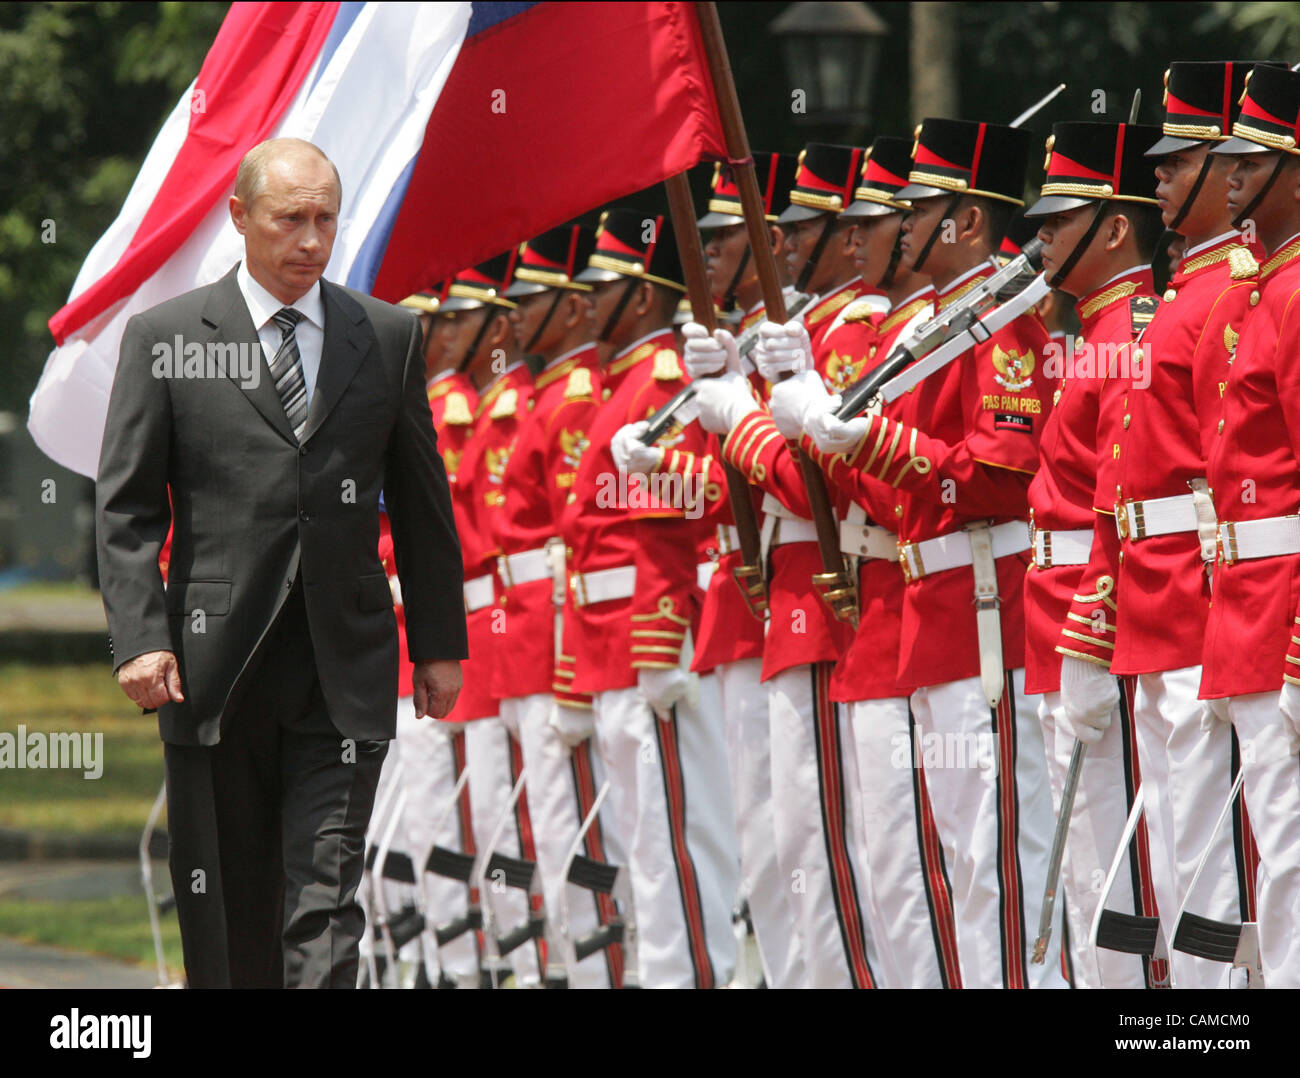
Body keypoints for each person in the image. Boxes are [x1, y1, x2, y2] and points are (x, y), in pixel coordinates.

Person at [96, 137, 466, 988]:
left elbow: (420, 501)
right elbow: (126, 509)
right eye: (288, 220)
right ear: (239, 219)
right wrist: (140, 638)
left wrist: (440, 642)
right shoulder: (169, 337)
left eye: (324, 220)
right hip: (212, 666)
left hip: (344, 666)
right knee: (229, 906)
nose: (309, 240)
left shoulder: (387, 334)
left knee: (325, 899)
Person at [796, 117, 1065, 988]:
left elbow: (996, 475)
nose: (902, 222)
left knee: (997, 867)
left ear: (972, 222)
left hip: (989, 618)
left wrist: (868, 441)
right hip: (941, 623)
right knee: (958, 867)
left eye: (924, 207)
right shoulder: (952, 320)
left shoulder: (1002, 319)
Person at [1062, 61, 1271, 988]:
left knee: (1219, 865)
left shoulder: (1234, 288)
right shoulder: (1178, 295)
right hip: (1152, 602)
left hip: (1202, 598)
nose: (1160, 178)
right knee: (1180, 854)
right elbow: (1123, 472)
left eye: (1178, 162)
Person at [1021, 119, 1166, 988]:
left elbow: (1120, 501)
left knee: (1120, 863)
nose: (1038, 239)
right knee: (1083, 864)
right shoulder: (1092, 329)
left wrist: (1089, 630)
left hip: (1091, 614)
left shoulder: (1131, 328)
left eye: (1056, 222)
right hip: (1056, 611)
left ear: (1113, 228)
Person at [496, 223, 625, 988]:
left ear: (574, 311)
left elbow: (578, 538)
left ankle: (598, 967)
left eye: (533, 301)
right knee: (537, 822)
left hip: (555, 626)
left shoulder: (572, 400)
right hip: (519, 627)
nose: (513, 318)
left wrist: (569, 662)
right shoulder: (546, 395)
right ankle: (558, 965)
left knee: (576, 819)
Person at [1199, 62, 1300, 988]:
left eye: (1252, 157)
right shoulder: (1264, 289)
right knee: (1276, 849)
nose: (1227, 172)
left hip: (1283, 614)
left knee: (1294, 860)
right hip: (1245, 606)